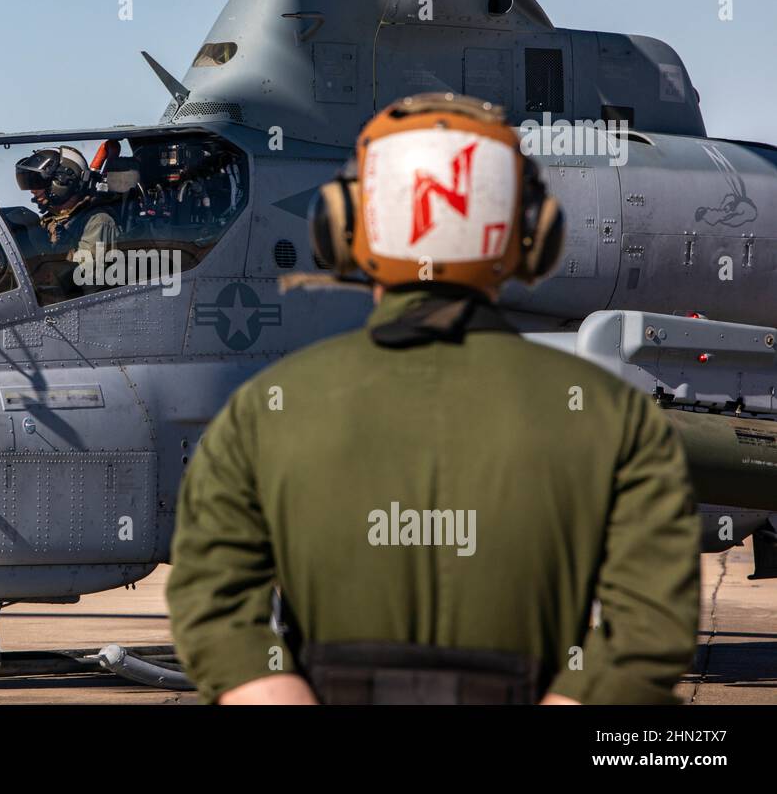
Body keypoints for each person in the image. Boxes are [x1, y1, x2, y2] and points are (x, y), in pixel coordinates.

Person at [166, 92, 700, 705]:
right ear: (533, 236)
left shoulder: (264, 410)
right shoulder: (617, 418)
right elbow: (650, 631)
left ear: (343, 229)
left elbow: (212, 608)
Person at [15, 146, 120, 262]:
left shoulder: (97, 222)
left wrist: (39, 241)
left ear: (63, 181)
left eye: (38, 182)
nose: (33, 190)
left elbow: (83, 274)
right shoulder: (52, 220)